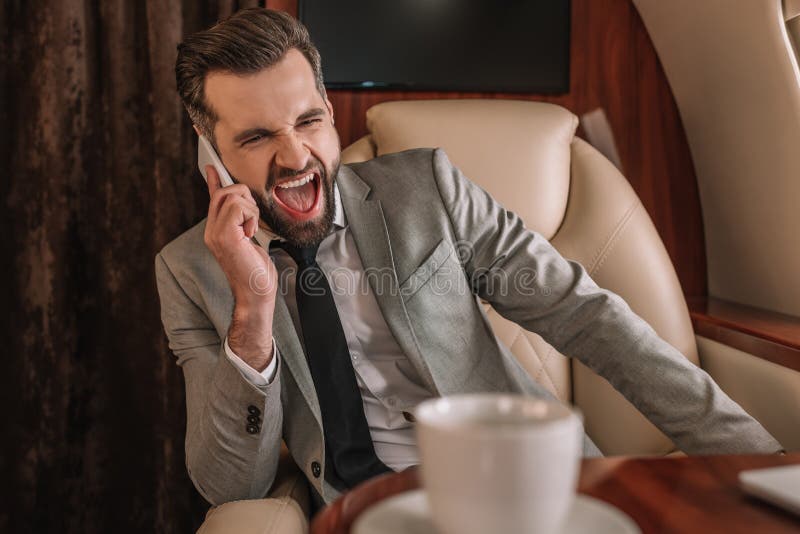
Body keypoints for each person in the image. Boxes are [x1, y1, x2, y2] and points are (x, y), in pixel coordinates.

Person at [156, 7, 782, 510]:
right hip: (370, 513)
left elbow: (588, 318)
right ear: (210, 151)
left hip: (524, 490)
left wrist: (762, 464)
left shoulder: (428, 189)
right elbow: (227, 486)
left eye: (309, 120)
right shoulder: (188, 272)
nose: (296, 157)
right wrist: (253, 310)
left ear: (327, 106)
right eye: (258, 136)